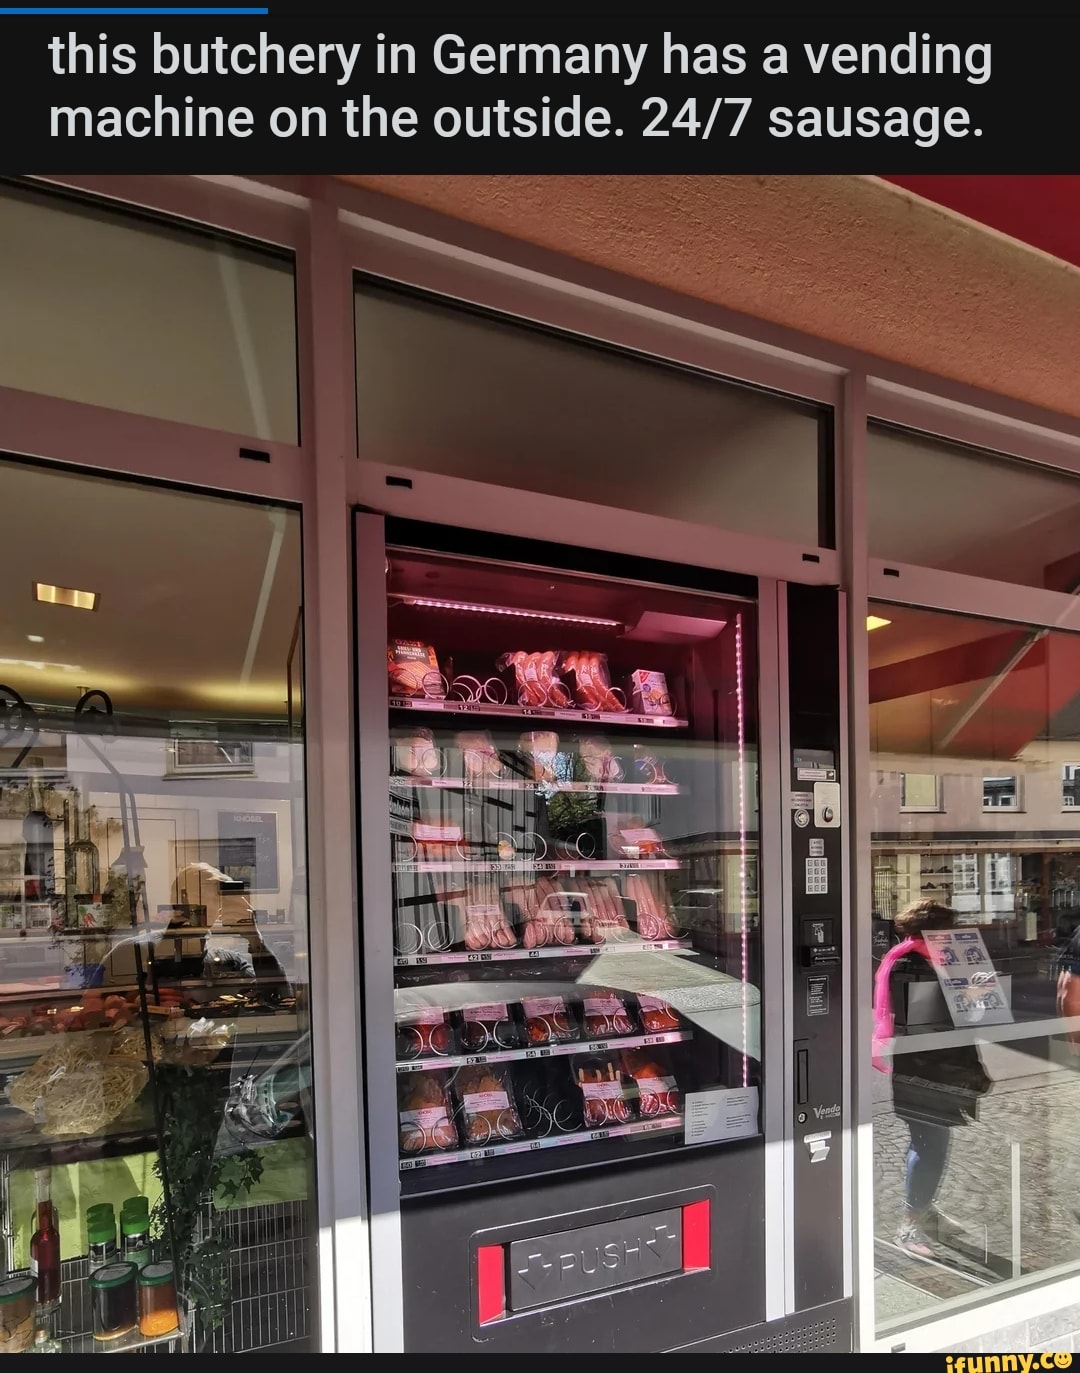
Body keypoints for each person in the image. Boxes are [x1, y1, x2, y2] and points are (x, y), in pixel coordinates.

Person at [873, 900, 991, 1259]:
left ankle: (924, 1207)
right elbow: (924, 1020)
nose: (954, 936)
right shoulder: (909, 963)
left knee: (931, 1142)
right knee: (929, 1145)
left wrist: (973, 994)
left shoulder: (925, 958)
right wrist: (969, 996)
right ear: (933, 931)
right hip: (924, 1070)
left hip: (936, 1066)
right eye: (949, 929)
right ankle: (910, 1224)